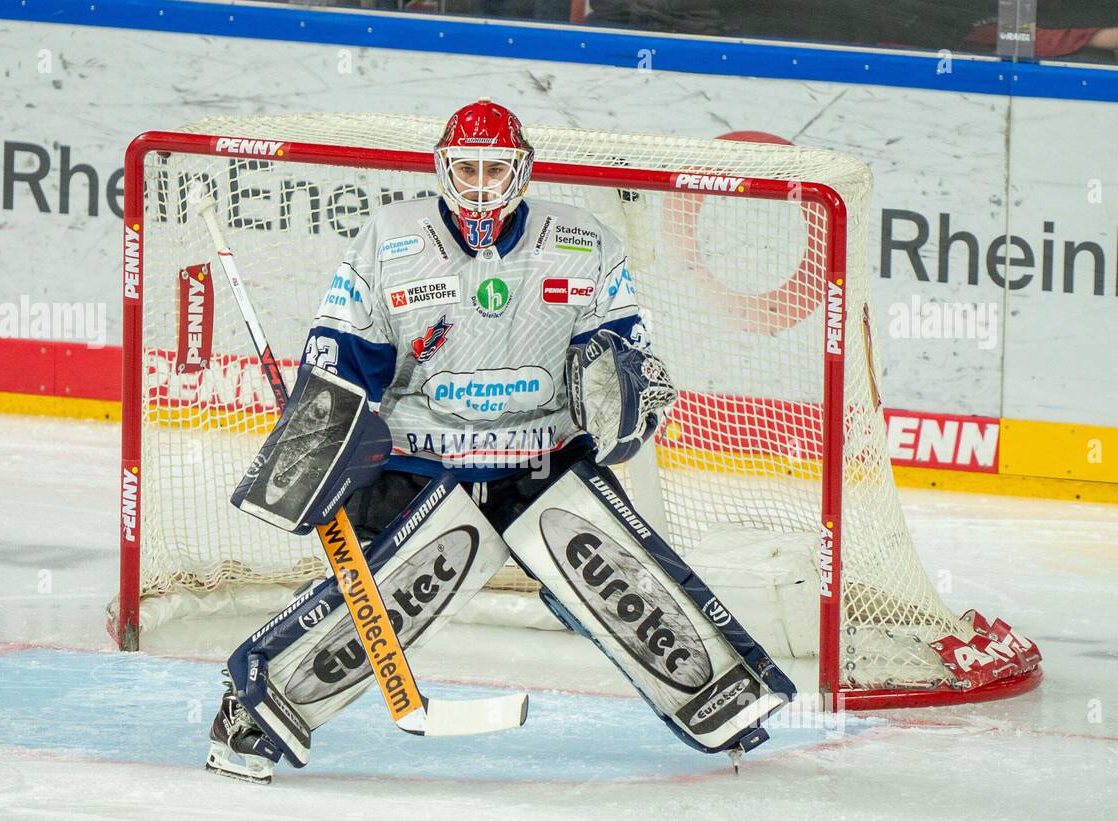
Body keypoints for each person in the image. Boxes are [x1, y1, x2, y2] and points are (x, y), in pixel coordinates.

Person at [207, 100, 794, 783]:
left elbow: (624, 360)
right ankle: (252, 712)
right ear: (441, 169)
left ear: (522, 171)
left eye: (495, 170)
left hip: (539, 465)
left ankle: (722, 695)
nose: (480, 185)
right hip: (416, 465)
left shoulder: (585, 241)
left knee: (620, 578)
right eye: (467, 170)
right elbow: (341, 356)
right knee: (383, 603)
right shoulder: (389, 239)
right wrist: (322, 431)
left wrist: (623, 395)